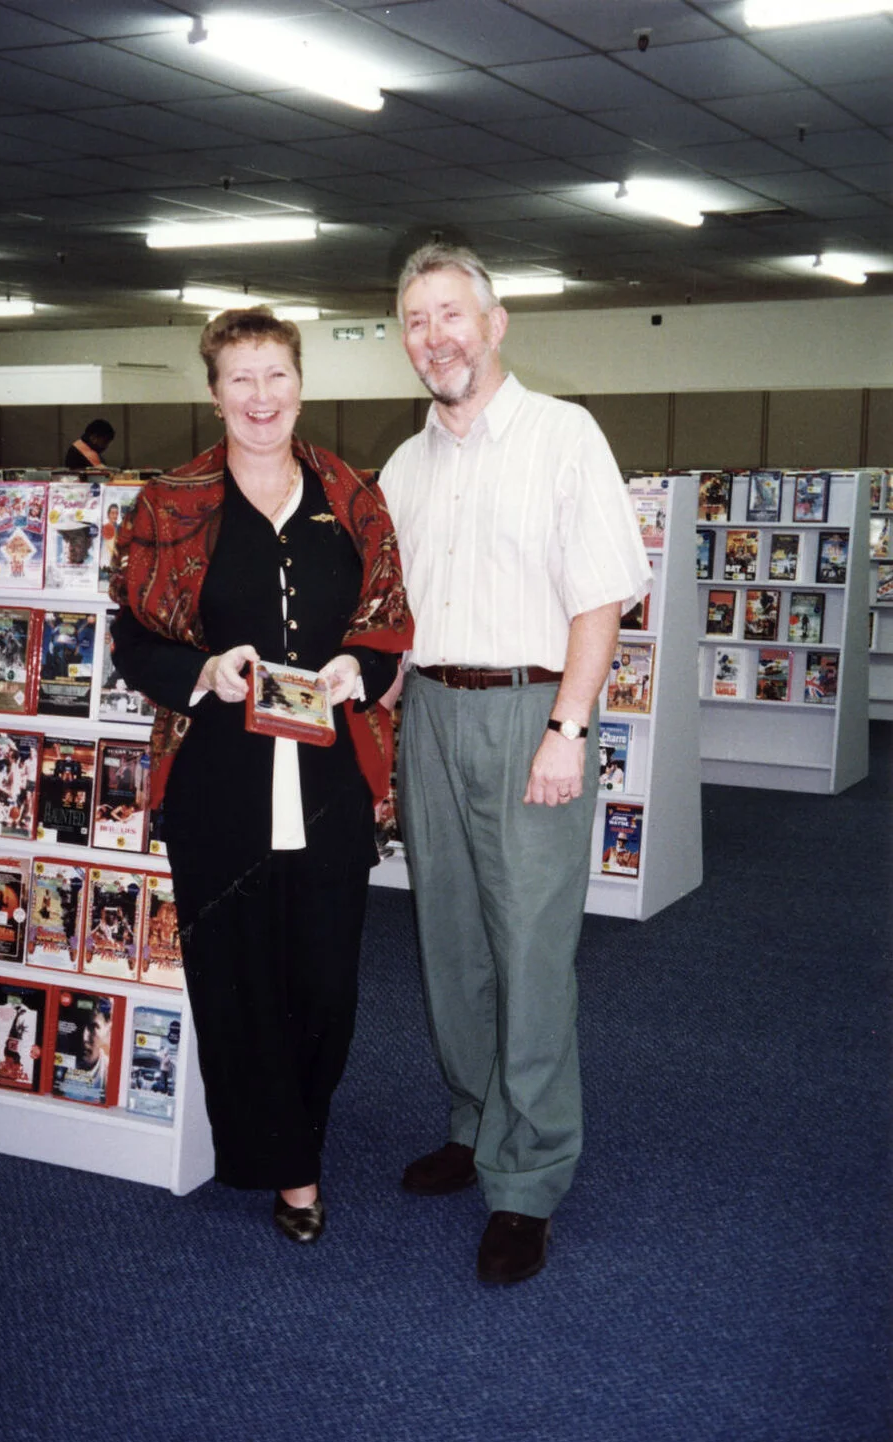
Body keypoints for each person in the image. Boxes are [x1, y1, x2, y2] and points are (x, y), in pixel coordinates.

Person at [109, 307, 411, 1245]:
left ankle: (299, 1130)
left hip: (328, 780)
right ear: (213, 393)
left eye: (275, 375)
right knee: (237, 979)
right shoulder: (171, 502)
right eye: (240, 378)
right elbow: (133, 636)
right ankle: (289, 1168)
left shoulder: (353, 495)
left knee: (324, 983)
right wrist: (202, 671)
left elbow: (390, 614)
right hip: (219, 782)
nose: (260, 397)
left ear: (300, 384)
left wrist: (360, 664)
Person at [380, 242, 651, 1285]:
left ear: (495, 326)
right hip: (433, 715)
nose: (436, 336)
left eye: (453, 314)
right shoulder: (407, 466)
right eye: (415, 320)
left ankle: (529, 1177)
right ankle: (474, 1119)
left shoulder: (560, 435)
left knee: (531, 945)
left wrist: (569, 727)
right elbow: (396, 622)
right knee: (449, 939)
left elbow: (600, 597)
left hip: (534, 707)